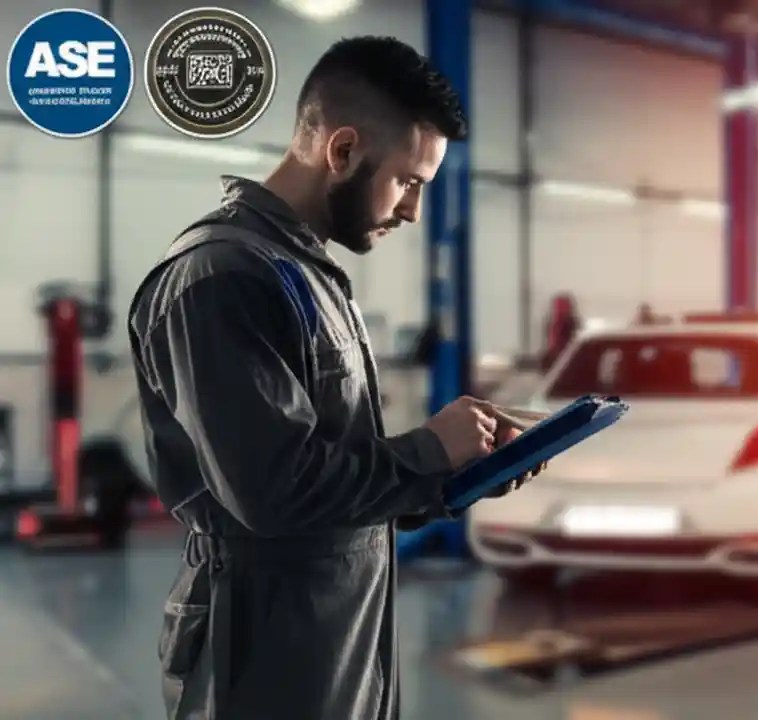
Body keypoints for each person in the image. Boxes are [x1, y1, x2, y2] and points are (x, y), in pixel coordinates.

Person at [127, 36, 538, 719]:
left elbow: (335, 471)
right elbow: (274, 493)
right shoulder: (223, 277)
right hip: (264, 653)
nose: (412, 211)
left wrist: (454, 476)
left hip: (338, 637)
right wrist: (429, 448)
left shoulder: (307, 273)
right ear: (342, 151)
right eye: (408, 182)